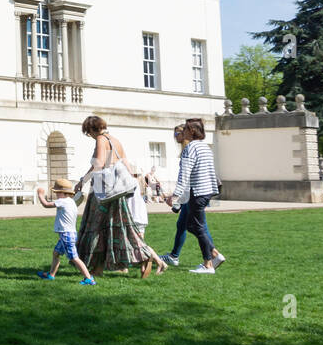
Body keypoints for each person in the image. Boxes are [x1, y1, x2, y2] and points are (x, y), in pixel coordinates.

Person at [73, 115, 165, 278]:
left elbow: (99, 164)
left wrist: (84, 180)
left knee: (96, 228)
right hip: (117, 193)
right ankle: (101, 268)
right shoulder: (115, 141)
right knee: (114, 229)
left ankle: (142, 257)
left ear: (93, 129)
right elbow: (126, 167)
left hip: (103, 192)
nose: (91, 137)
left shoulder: (101, 139)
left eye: (89, 133)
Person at [165, 119, 227, 274]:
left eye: (185, 128)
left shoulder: (190, 148)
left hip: (197, 192)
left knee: (197, 227)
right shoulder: (205, 147)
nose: (183, 131)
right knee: (192, 225)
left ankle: (209, 264)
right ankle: (213, 255)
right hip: (206, 191)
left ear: (191, 130)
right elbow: (211, 171)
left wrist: (175, 196)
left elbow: (184, 174)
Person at [35, 179, 95, 285]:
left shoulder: (62, 201)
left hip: (66, 235)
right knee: (56, 253)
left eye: (57, 192)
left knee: (74, 257)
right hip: (69, 234)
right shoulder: (71, 201)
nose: (56, 195)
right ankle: (51, 275)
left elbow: (46, 205)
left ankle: (89, 278)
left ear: (63, 193)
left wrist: (40, 195)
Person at [162, 125, 191, 266]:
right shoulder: (186, 150)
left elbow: (185, 177)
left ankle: (214, 254)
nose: (175, 137)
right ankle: (174, 255)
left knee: (196, 227)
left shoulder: (188, 151)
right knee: (183, 225)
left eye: (176, 133)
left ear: (184, 134)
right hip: (188, 194)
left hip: (191, 194)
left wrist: (175, 196)